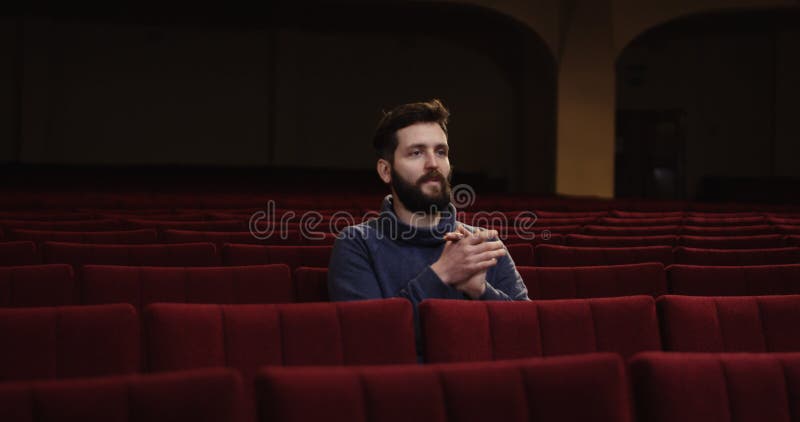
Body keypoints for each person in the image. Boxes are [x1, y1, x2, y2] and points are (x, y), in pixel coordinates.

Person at [328, 99, 529, 313]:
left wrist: (481, 291)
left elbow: (527, 333)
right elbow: (369, 336)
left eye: (441, 152)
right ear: (386, 171)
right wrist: (441, 274)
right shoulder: (357, 244)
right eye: (416, 152)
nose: (433, 163)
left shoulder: (482, 245)